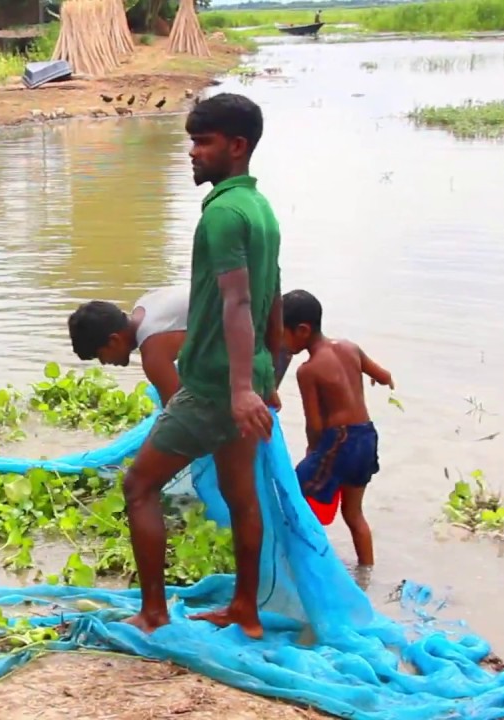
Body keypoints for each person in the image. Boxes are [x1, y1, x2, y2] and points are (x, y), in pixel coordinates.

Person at [120, 92, 282, 639]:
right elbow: (273, 294)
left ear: (237, 147)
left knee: (138, 486)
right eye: (192, 140)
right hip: (248, 373)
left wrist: (238, 389)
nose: (192, 152)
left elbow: (238, 301)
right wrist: (268, 377)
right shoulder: (261, 209)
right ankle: (246, 610)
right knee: (241, 495)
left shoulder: (221, 213)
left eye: (203, 142)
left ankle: (152, 613)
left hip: (215, 382)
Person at [282, 289, 392, 568]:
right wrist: (382, 381)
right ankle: (366, 570)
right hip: (367, 436)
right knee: (354, 514)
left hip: (339, 441)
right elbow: (382, 374)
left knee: (294, 494)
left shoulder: (307, 370)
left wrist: (312, 451)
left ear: (302, 330)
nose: (280, 341)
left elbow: (314, 423)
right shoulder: (349, 347)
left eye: (282, 333)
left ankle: (303, 563)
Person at [68, 284, 289, 409]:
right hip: (269, 312)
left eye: (100, 356)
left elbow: (178, 415)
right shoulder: (145, 302)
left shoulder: (152, 350)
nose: (105, 363)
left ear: (114, 340)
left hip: (269, 338)